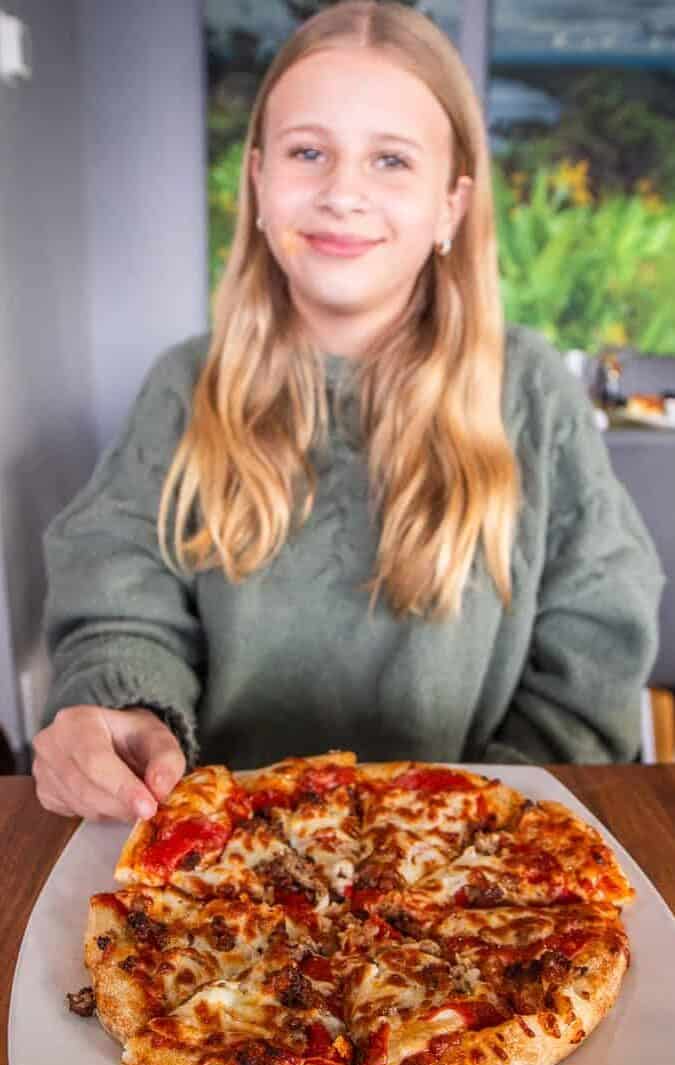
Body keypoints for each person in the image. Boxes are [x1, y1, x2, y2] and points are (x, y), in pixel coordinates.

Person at [33, 1, 663, 824]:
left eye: (391, 161)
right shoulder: (184, 385)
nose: (342, 193)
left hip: (475, 872)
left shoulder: (532, 390)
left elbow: (594, 644)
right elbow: (118, 602)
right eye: (307, 152)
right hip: (223, 866)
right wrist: (127, 713)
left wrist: (460, 825)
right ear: (258, 181)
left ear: (450, 204)